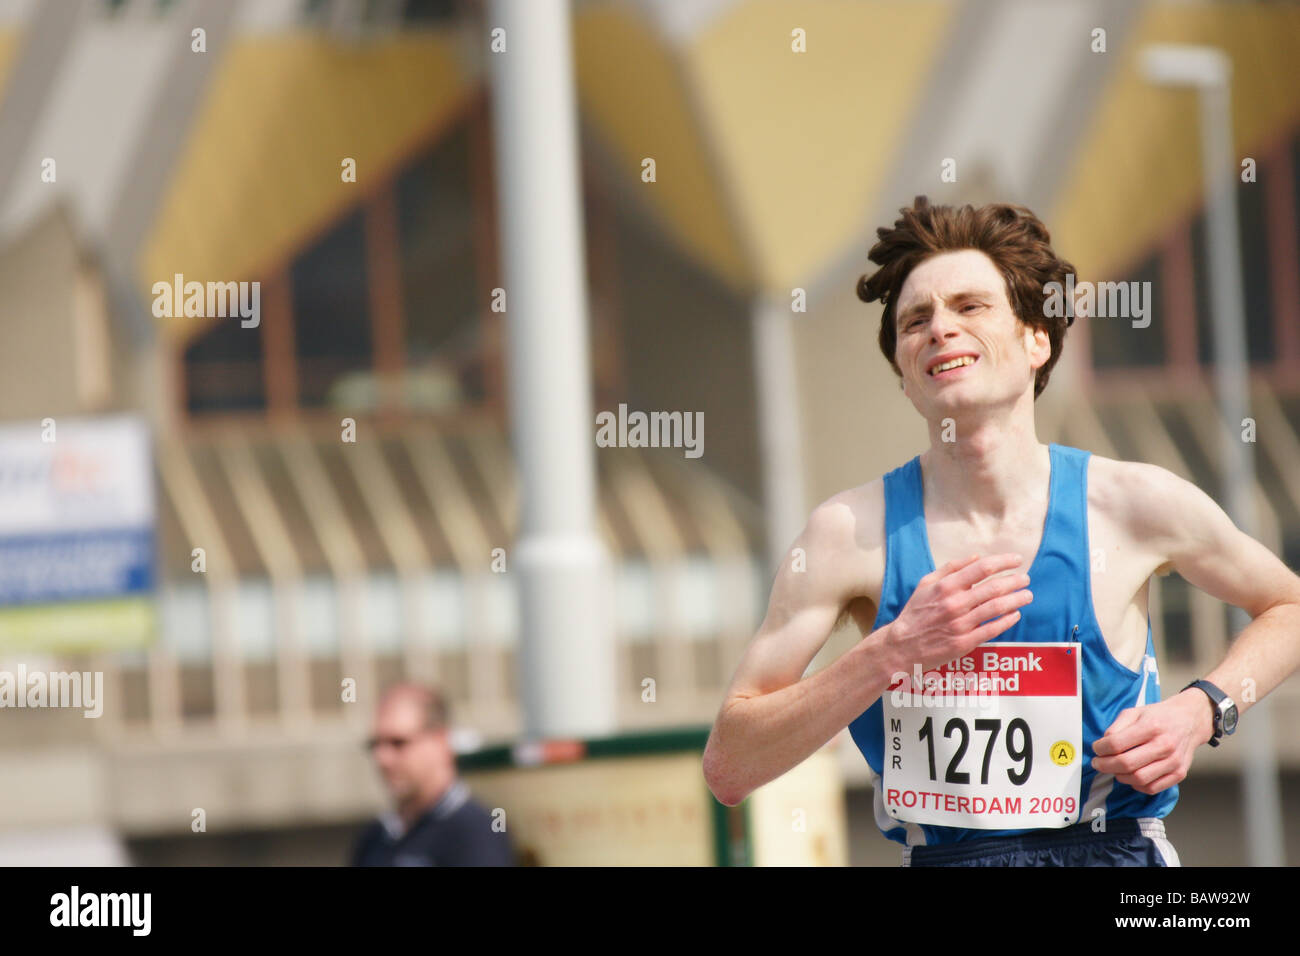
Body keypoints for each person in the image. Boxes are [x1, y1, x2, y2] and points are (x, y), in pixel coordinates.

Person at [702, 195, 1300, 866]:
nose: (939, 330)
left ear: (1037, 340)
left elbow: (1290, 606)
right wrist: (891, 651)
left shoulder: (1134, 502)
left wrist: (1203, 710)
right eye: (915, 320)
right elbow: (729, 768)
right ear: (904, 374)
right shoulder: (847, 533)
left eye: (970, 306)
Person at [351, 682, 514, 866]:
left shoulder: (476, 832)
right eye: (375, 745)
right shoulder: (375, 837)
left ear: (440, 741)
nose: (383, 759)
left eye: (398, 743)